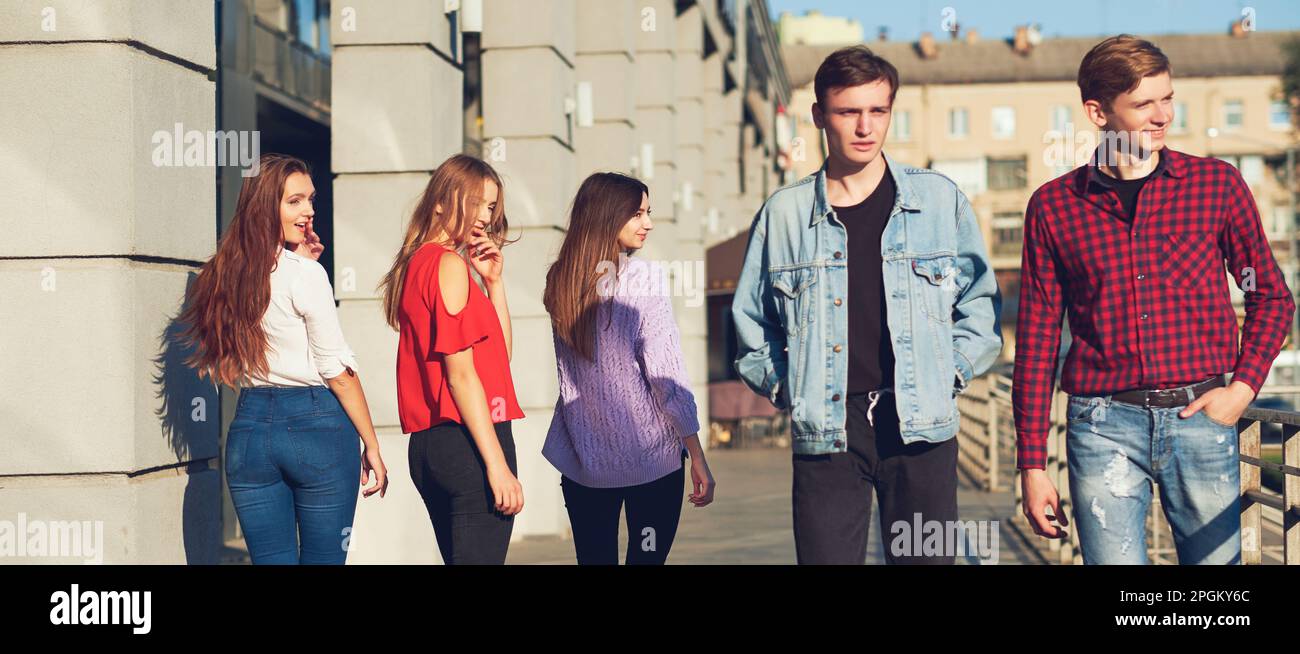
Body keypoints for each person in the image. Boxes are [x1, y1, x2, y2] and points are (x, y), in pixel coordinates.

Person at [1014, 35, 1296, 564]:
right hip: (1102, 427)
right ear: (1098, 112)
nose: (1163, 115)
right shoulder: (1053, 208)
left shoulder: (1217, 186)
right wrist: (1032, 465)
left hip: (1202, 420)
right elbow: (1035, 342)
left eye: (1167, 98)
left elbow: (1272, 297)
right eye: (1144, 104)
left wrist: (1242, 388)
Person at [731, 46, 1002, 564]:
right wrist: (788, 385)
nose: (864, 127)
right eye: (848, 111)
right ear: (819, 116)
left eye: (877, 111)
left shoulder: (938, 201)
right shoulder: (784, 215)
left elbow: (979, 305)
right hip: (829, 428)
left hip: (920, 424)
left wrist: (950, 372)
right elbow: (750, 323)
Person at [181, 153, 388, 565]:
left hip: (250, 432)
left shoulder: (220, 277)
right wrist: (372, 443)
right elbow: (336, 370)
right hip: (317, 428)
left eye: (309, 200)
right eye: (294, 201)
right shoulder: (306, 276)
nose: (308, 210)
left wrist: (299, 261)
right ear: (265, 206)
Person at [541, 172, 715, 565]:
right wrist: (697, 454)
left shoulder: (561, 280)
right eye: (636, 214)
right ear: (607, 215)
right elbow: (665, 373)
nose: (648, 223)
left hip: (585, 461)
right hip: (650, 463)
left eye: (647, 212)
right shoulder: (643, 278)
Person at [379, 154, 524, 565]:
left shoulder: (417, 263)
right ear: (441, 201)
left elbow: (497, 361)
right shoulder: (448, 264)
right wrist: (496, 465)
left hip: (430, 449)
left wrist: (494, 283)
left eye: (492, 206)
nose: (485, 216)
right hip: (468, 445)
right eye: (476, 202)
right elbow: (462, 379)